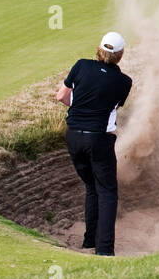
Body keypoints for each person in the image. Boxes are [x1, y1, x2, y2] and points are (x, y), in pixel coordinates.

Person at [55, 31, 133, 256]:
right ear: (120, 55)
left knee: (92, 187)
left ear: (99, 49)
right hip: (98, 140)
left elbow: (62, 97)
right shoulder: (124, 82)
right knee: (107, 191)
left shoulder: (81, 66)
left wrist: (78, 106)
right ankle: (105, 250)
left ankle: (89, 241)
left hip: (73, 136)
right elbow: (110, 108)